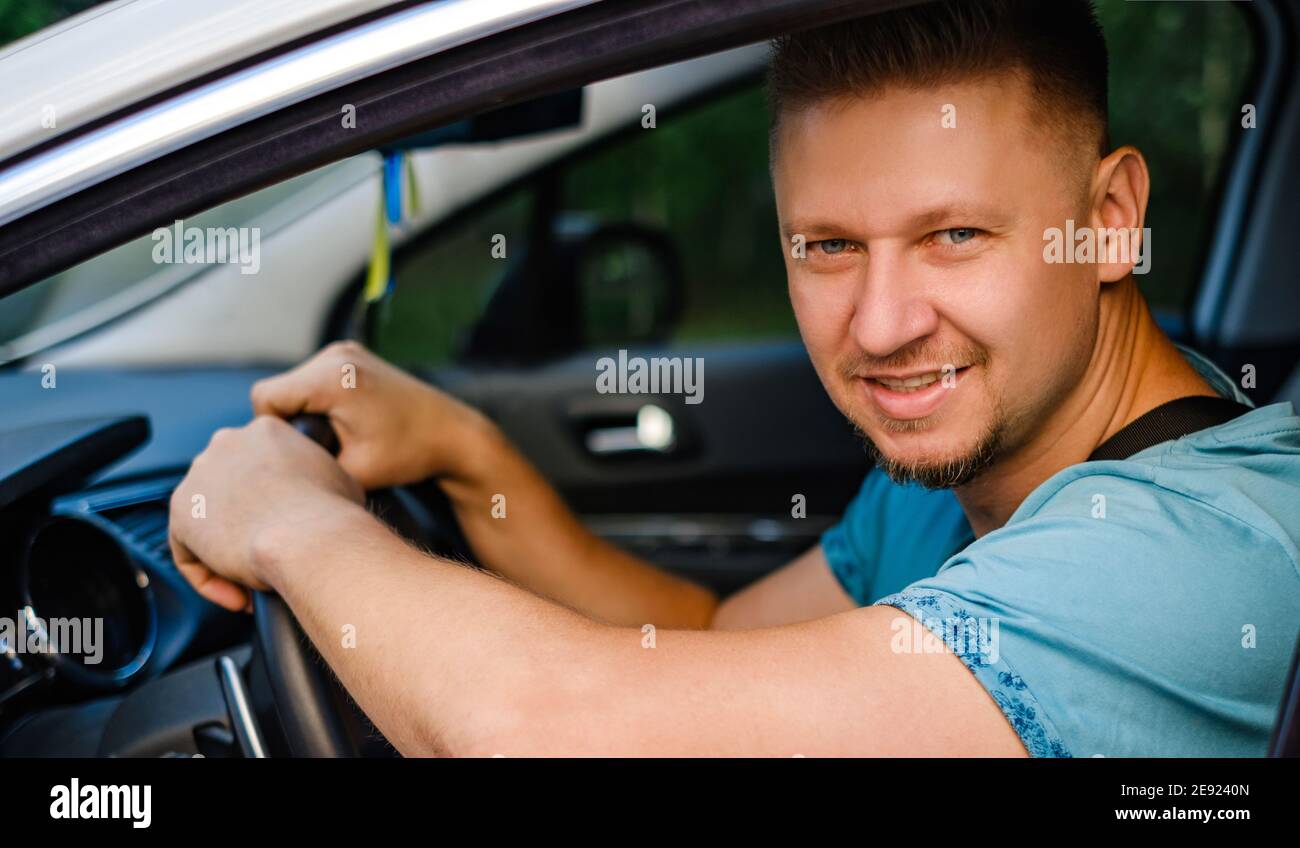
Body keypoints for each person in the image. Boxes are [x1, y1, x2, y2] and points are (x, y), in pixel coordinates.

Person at [168, 0, 1300, 756]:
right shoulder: (964, 461)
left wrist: (290, 525)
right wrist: (469, 454)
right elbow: (705, 635)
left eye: (955, 234)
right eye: (826, 245)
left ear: (1105, 224)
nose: (883, 325)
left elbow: (539, 729)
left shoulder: (1190, 558)